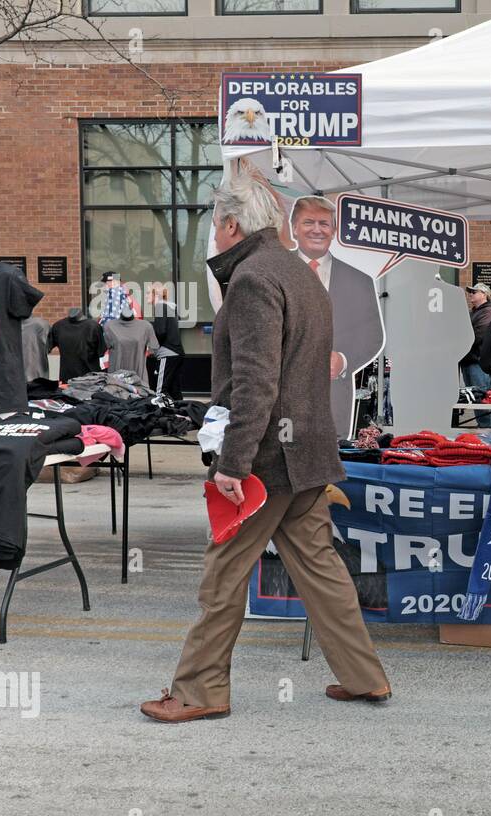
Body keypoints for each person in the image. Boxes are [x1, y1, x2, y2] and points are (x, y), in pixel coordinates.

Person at [141, 174, 391, 723]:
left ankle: (199, 692)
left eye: (214, 226)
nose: (214, 236)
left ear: (231, 225)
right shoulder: (300, 275)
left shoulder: (252, 279)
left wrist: (233, 462)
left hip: (268, 460)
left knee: (224, 575)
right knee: (322, 570)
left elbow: (256, 382)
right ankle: (364, 677)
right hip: (307, 450)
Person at [290, 195, 384, 439]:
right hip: (282, 400)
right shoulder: (274, 273)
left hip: (334, 402)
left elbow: (373, 334)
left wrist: (344, 360)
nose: (317, 230)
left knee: (333, 472)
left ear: (333, 231)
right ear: (294, 229)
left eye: (324, 224)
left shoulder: (360, 280)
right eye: (309, 222)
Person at [461, 283, 491, 429]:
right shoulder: (474, 312)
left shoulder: (488, 312)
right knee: (475, 398)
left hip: (479, 362)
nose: (471, 294)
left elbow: (478, 336)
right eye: (470, 292)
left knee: (485, 396)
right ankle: (483, 428)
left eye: (474, 292)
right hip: (469, 360)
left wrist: (460, 341)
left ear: (484, 294)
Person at [103, 304, 160, 386]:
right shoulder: (109, 326)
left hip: (139, 375)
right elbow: (102, 349)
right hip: (116, 377)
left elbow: (154, 349)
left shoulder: (146, 326)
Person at [48, 307, 105, 382]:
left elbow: (102, 353)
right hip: (76, 379)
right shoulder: (58, 327)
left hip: (88, 378)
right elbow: (101, 352)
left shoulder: (94, 327)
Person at [148, 285, 185, 399]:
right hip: (176, 353)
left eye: (148, 293)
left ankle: (161, 414)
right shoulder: (169, 307)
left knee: (160, 391)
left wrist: (151, 347)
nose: (146, 296)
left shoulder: (159, 306)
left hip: (167, 353)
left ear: (156, 295)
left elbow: (160, 331)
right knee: (174, 390)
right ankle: (179, 412)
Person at [20, 311, 50, 383]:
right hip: (36, 371)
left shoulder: (41, 325)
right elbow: (49, 348)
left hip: (36, 371)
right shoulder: (42, 324)